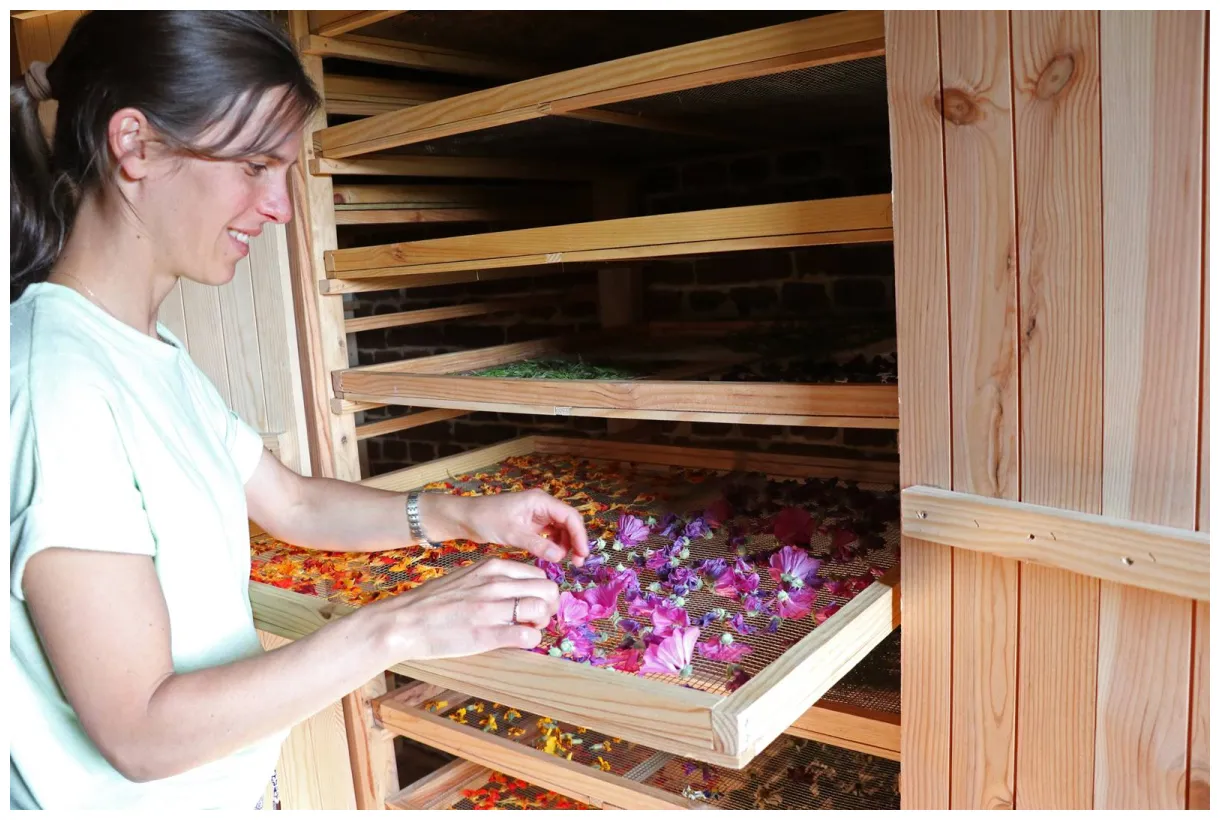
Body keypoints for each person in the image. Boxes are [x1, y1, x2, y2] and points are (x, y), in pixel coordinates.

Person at [9, 11, 588, 811]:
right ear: (135, 144)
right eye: (254, 164)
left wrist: (471, 515)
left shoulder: (145, 349)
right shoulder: (58, 380)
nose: (279, 206)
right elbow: (139, 733)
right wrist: (400, 627)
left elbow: (293, 501)